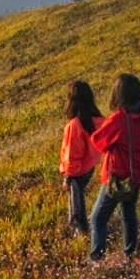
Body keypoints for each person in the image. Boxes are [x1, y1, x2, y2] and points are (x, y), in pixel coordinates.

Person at [88, 73, 140, 260]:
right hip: (137, 174)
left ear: (118, 95)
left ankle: (97, 258)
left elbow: (98, 142)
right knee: (128, 211)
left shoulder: (118, 120)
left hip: (117, 175)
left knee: (98, 218)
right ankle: (130, 252)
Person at [59, 81, 104, 235]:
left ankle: (81, 234)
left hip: (76, 171)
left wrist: (68, 176)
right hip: (89, 167)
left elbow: (72, 154)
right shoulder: (98, 121)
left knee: (76, 210)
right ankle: (83, 230)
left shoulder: (74, 125)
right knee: (79, 203)